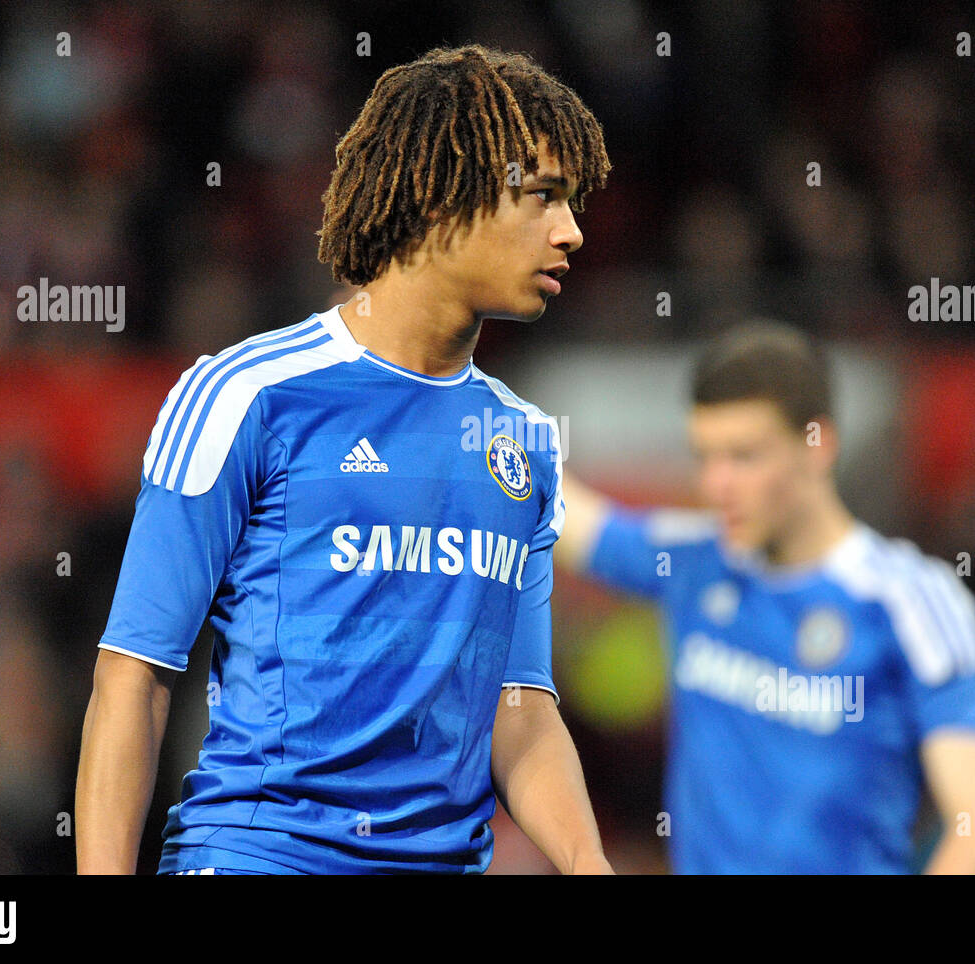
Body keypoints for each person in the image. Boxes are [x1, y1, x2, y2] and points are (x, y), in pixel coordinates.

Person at [75, 44, 614, 875]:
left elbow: (521, 710)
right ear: (444, 192)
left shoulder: (527, 444)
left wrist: (589, 866)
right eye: (542, 196)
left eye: (570, 202)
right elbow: (135, 677)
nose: (570, 230)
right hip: (262, 856)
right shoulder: (246, 394)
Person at [555, 320, 975, 873]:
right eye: (706, 456)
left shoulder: (909, 599)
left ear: (817, 444)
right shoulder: (690, 561)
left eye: (744, 456)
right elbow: (553, 504)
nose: (715, 485)